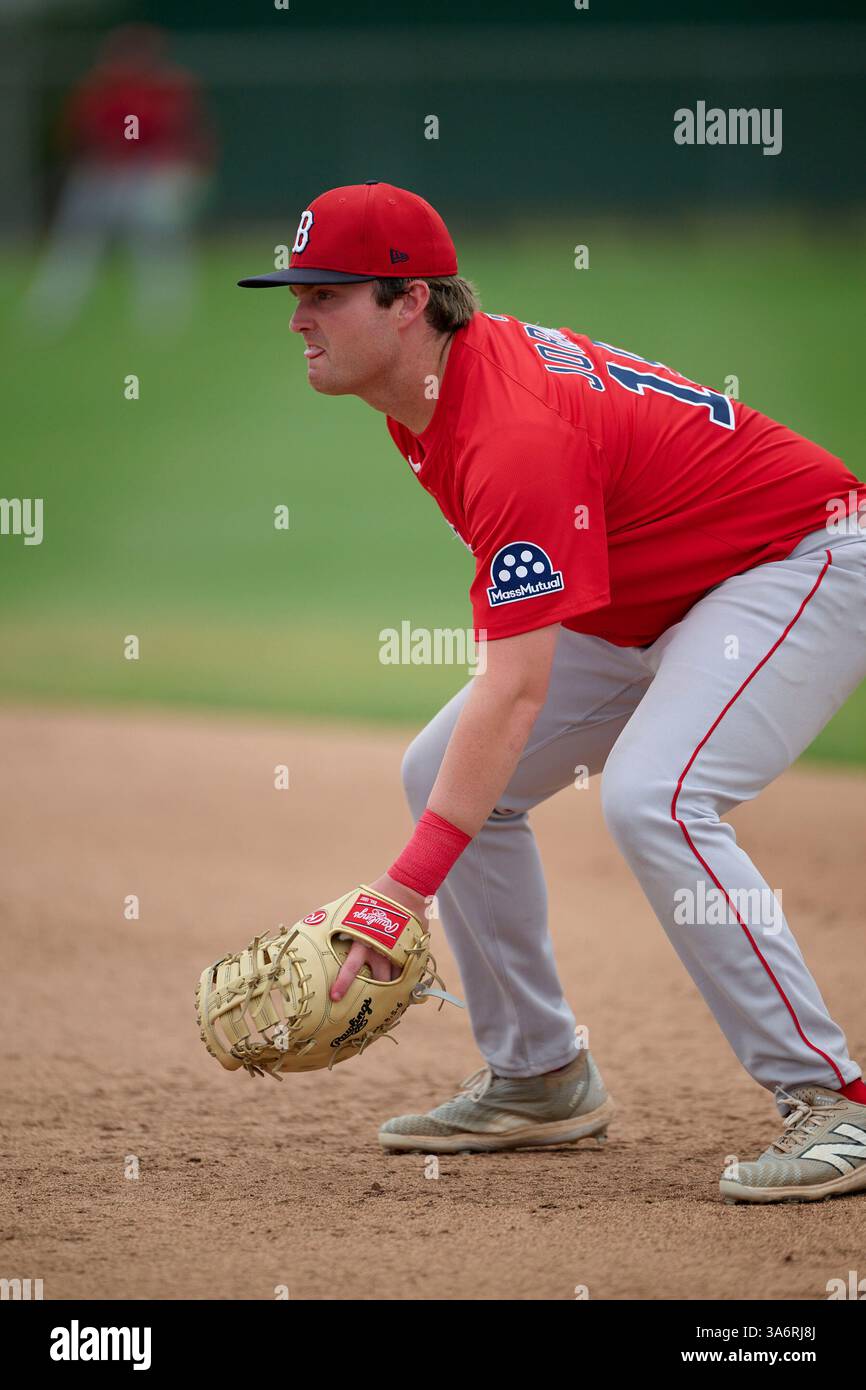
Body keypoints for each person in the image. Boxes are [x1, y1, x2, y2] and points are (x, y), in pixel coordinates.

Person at [238, 181, 866, 1204]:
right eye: (294, 289)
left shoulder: (504, 431)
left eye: (325, 292)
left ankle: (835, 1101)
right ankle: (538, 1073)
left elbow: (516, 688)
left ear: (408, 302)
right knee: (439, 773)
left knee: (654, 795)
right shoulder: (432, 390)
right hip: (657, 586)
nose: (298, 315)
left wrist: (398, 897)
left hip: (796, 558)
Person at [25, 23, 213, 334]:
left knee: (158, 248)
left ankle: (163, 317)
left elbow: (186, 133)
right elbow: (76, 131)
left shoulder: (167, 87)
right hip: (101, 173)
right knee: (75, 246)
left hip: (149, 174)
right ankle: (49, 315)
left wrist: (186, 170)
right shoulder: (99, 88)